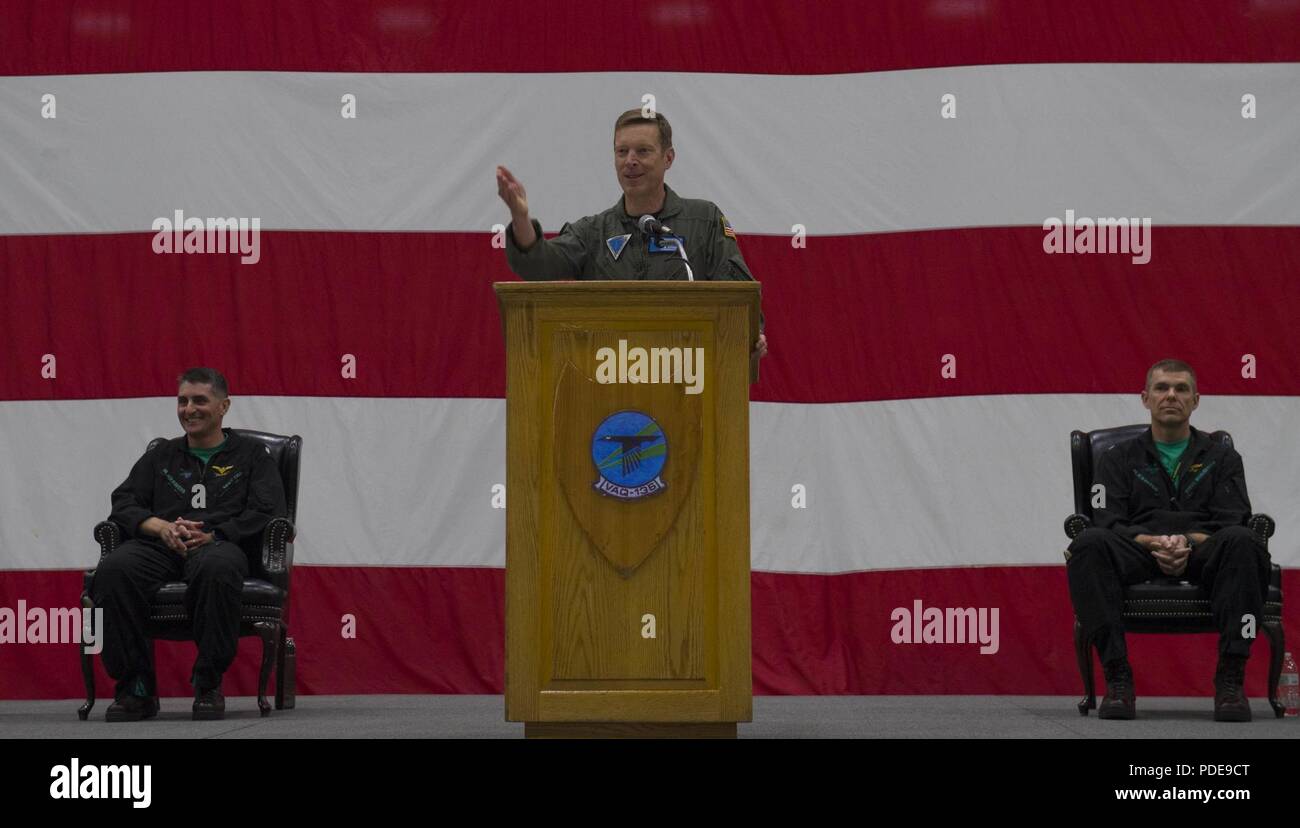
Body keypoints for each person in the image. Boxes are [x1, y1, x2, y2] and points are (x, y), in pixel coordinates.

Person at [1066, 359, 1270, 721]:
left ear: (1196, 399)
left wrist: (1186, 542)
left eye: (1181, 389)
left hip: (1205, 549)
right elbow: (1106, 518)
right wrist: (1153, 542)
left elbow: (1233, 516)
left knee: (1244, 540)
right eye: (1162, 388)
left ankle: (1231, 678)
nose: (1171, 396)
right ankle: (1117, 677)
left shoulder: (1223, 456)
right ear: (1145, 398)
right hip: (1137, 549)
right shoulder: (1116, 458)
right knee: (1088, 544)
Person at [93, 367, 286, 721]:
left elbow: (267, 510)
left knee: (217, 568)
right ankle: (136, 688)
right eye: (182, 401)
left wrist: (215, 534)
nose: (189, 409)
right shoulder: (161, 454)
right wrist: (160, 527)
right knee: (113, 571)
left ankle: (208, 682)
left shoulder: (253, 456)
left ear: (224, 406)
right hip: (161, 544)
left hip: (219, 543)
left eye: (200, 400)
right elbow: (124, 502)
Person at [496, 108, 768, 358]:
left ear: (668, 158)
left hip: (689, 382)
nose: (630, 161)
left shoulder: (703, 220)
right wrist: (520, 218)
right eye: (622, 151)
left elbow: (740, 300)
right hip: (607, 384)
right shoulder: (594, 232)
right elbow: (541, 264)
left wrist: (750, 337)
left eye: (643, 151)